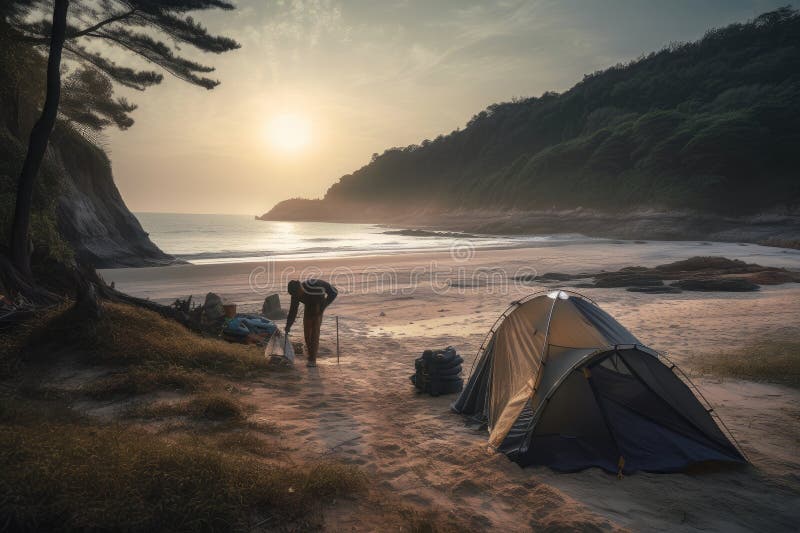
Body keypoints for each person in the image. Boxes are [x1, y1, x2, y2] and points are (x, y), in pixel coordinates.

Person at [285, 279, 338, 367]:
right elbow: (293, 311)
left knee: (314, 331)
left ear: (300, 289)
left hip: (318, 304)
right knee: (307, 332)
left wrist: (324, 305)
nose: (297, 297)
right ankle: (311, 353)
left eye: (298, 294)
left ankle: (312, 359)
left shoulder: (317, 289)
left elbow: (334, 292)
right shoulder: (295, 293)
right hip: (309, 305)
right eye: (294, 295)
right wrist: (288, 326)